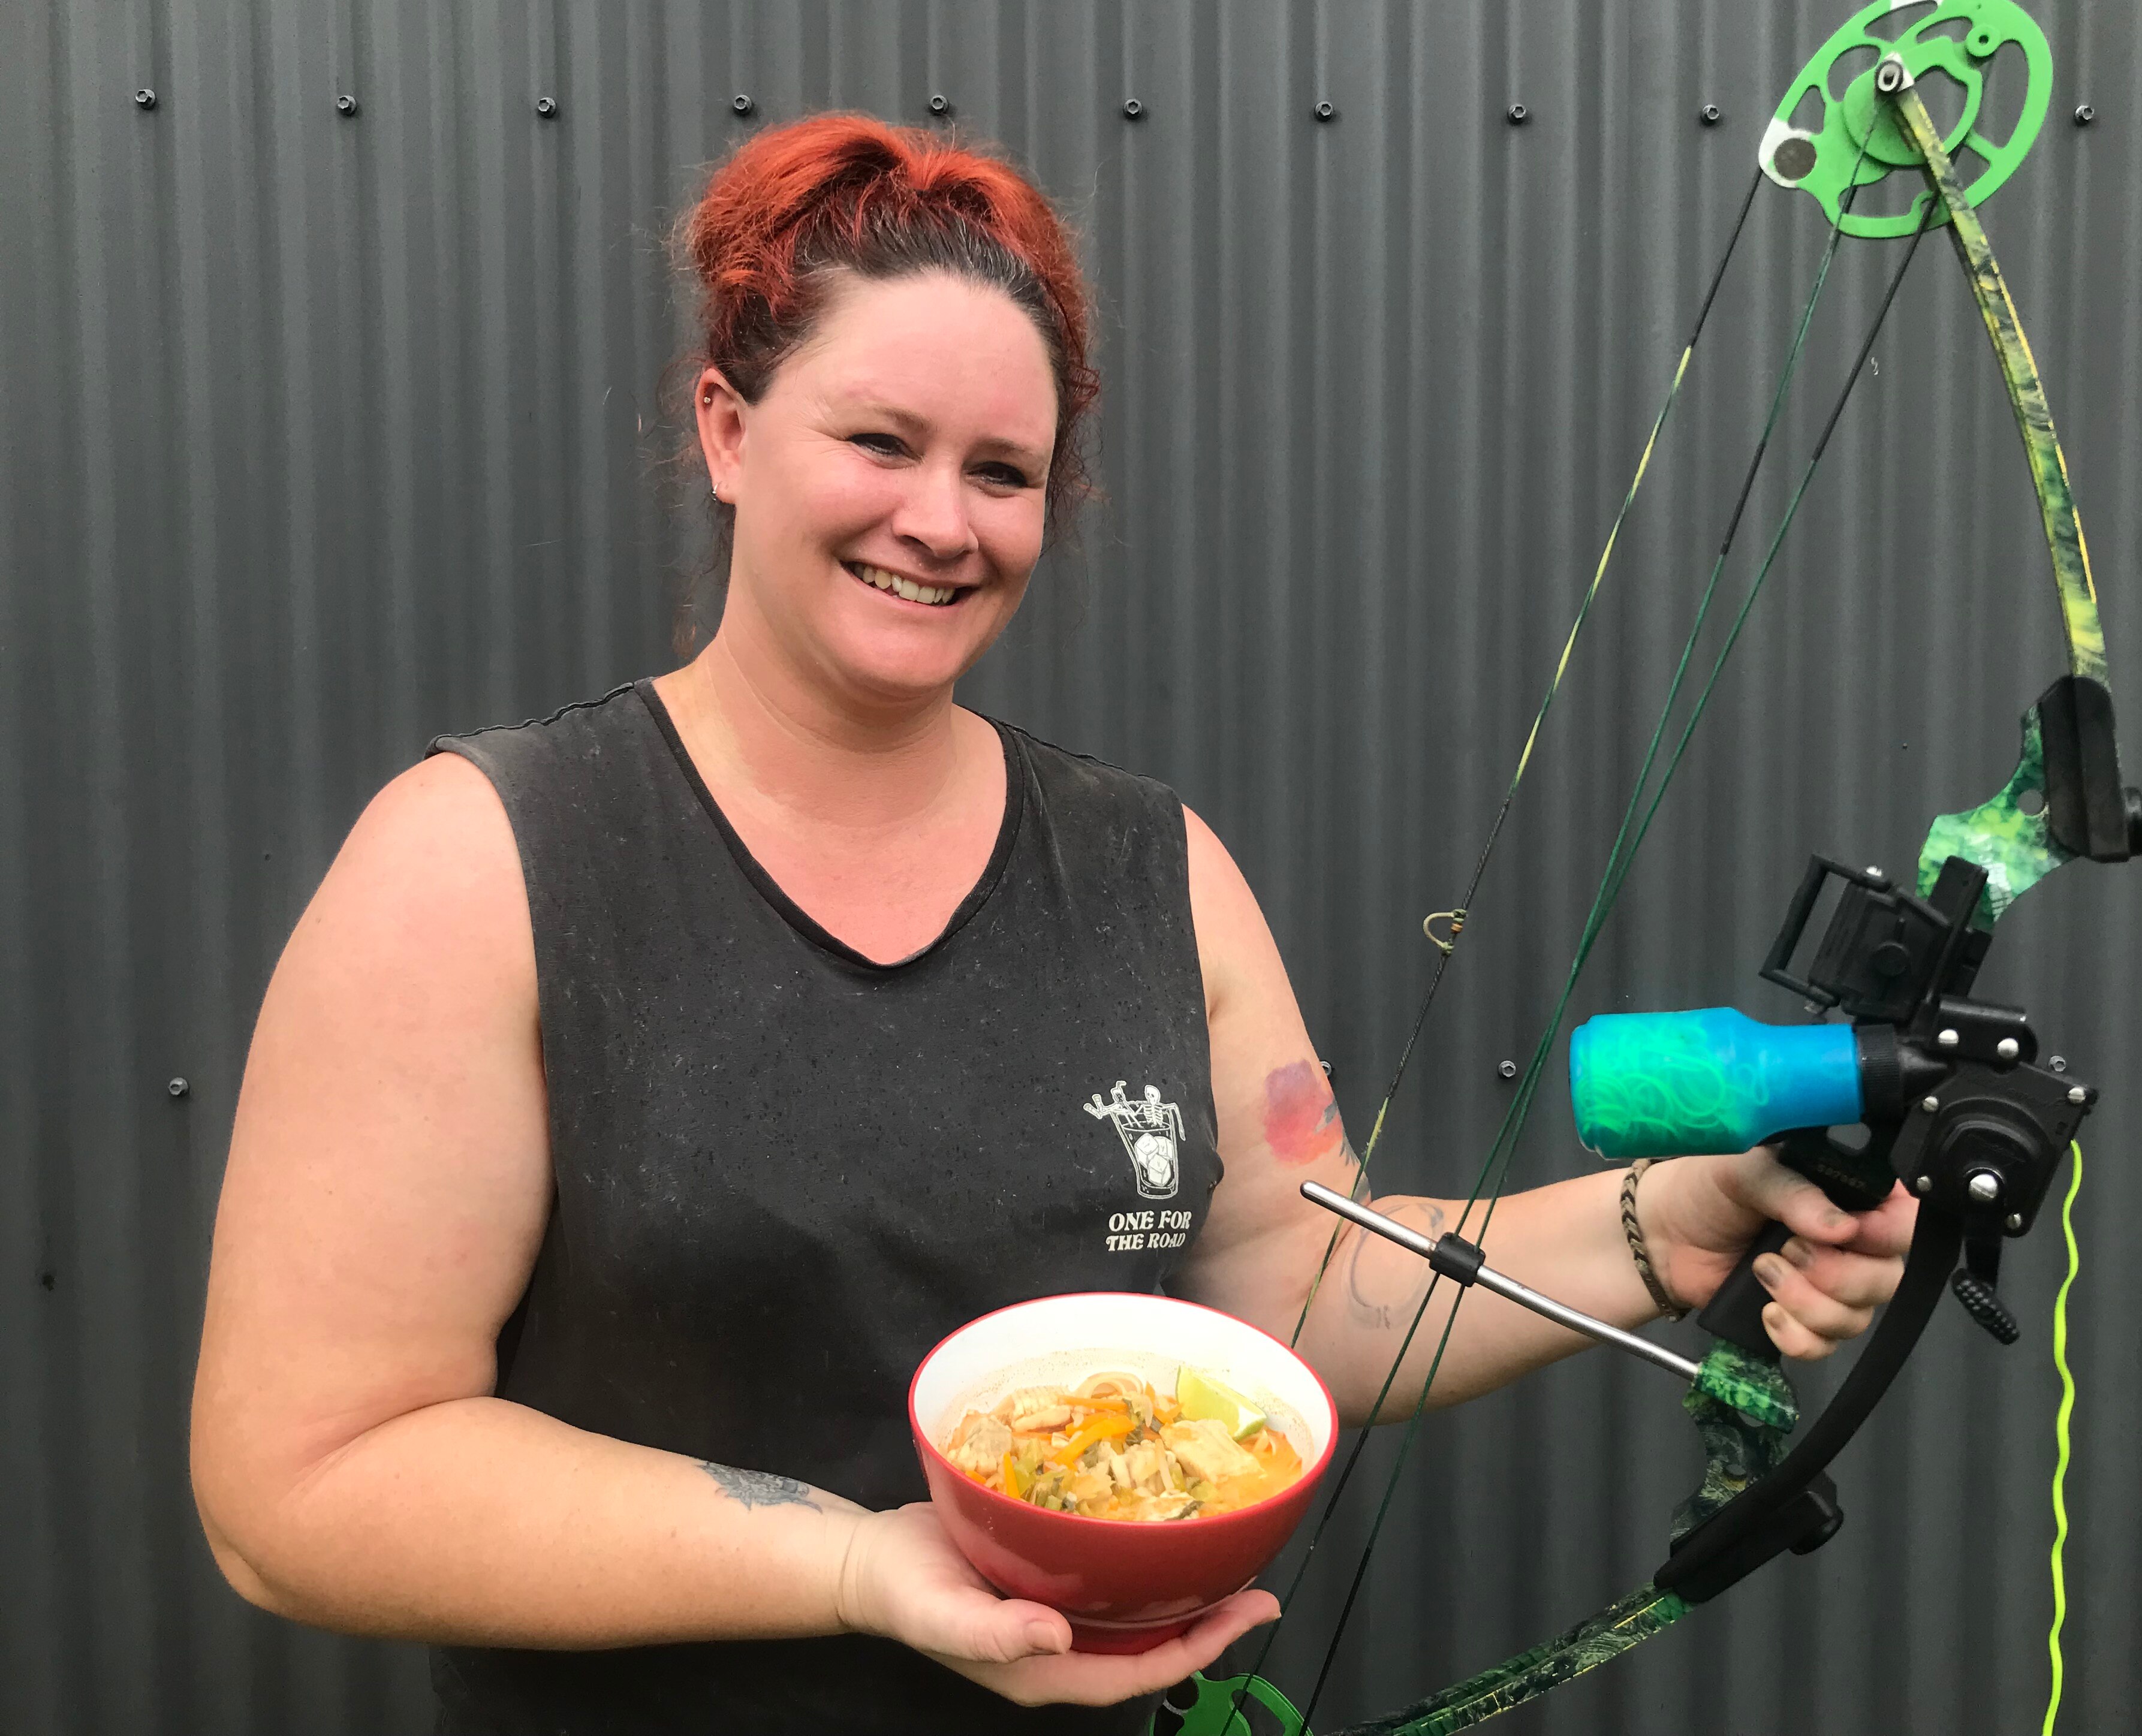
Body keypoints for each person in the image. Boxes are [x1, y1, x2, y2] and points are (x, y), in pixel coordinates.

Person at [190, 113, 1914, 1736]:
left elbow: (1297, 1281)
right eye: (879, 441)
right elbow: (306, 1485)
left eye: (1002, 470)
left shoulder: (1153, 867)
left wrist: (1673, 1221)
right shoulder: (483, 860)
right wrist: (858, 1569)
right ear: (727, 429)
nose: (940, 522)